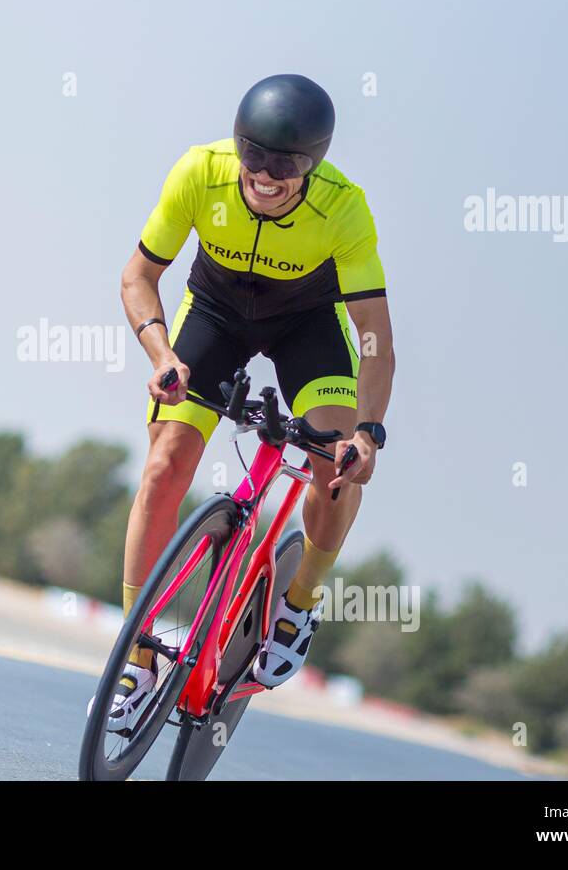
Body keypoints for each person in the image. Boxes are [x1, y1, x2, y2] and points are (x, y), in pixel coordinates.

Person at [104, 74, 395, 732]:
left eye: (285, 165)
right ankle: (138, 654)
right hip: (215, 314)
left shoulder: (344, 211)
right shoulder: (199, 173)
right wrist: (162, 357)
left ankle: (297, 601)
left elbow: (375, 340)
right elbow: (138, 276)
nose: (265, 175)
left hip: (307, 329)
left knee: (334, 464)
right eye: (253, 155)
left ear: (313, 165)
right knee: (163, 464)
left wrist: (368, 434)